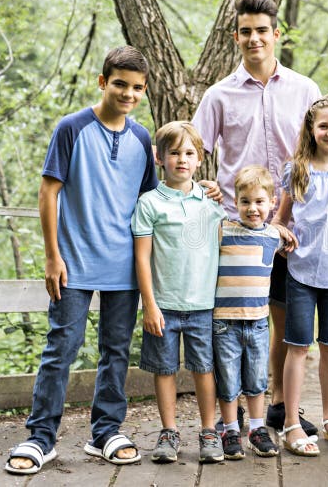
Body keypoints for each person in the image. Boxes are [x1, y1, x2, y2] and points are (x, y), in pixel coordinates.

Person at [5, 46, 158, 474]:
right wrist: (52, 256)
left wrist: (203, 191)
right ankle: (40, 438)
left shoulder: (142, 138)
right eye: (120, 84)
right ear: (102, 81)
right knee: (61, 349)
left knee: (115, 351)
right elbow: (48, 192)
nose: (128, 93)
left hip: (124, 267)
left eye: (137, 88)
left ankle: (106, 432)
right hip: (72, 263)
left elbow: (151, 201)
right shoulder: (72, 128)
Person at [191, 0, 321, 436]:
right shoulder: (218, 95)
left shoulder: (305, 90)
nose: (254, 39)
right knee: (236, 323)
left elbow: (324, 148)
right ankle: (238, 414)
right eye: (246, 31)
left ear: (276, 34)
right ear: (236, 37)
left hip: (288, 227)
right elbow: (192, 151)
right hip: (233, 228)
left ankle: (282, 407)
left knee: (284, 320)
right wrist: (199, 187)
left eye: (262, 30)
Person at [131, 121, 228, 464]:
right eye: (174, 153)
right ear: (159, 157)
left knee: (204, 368)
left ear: (200, 159)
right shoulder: (149, 203)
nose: (182, 160)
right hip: (165, 305)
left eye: (189, 153)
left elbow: (224, 243)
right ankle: (169, 431)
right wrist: (150, 306)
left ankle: (208, 431)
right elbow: (142, 258)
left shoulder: (212, 201)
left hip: (204, 304)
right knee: (165, 369)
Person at [272, 95, 328, 456]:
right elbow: (279, 218)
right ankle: (291, 424)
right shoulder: (297, 169)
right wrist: (279, 232)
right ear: (311, 129)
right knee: (298, 347)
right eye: (323, 125)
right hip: (302, 272)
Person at [213, 165, 296, 460]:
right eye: (245, 202)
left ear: (272, 203)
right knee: (227, 379)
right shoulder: (224, 230)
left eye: (260, 202)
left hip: (259, 322)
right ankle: (230, 429)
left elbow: (289, 239)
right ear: (235, 203)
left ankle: (257, 429)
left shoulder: (274, 236)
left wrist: (283, 229)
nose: (252, 209)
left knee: (257, 378)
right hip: (224, 321)